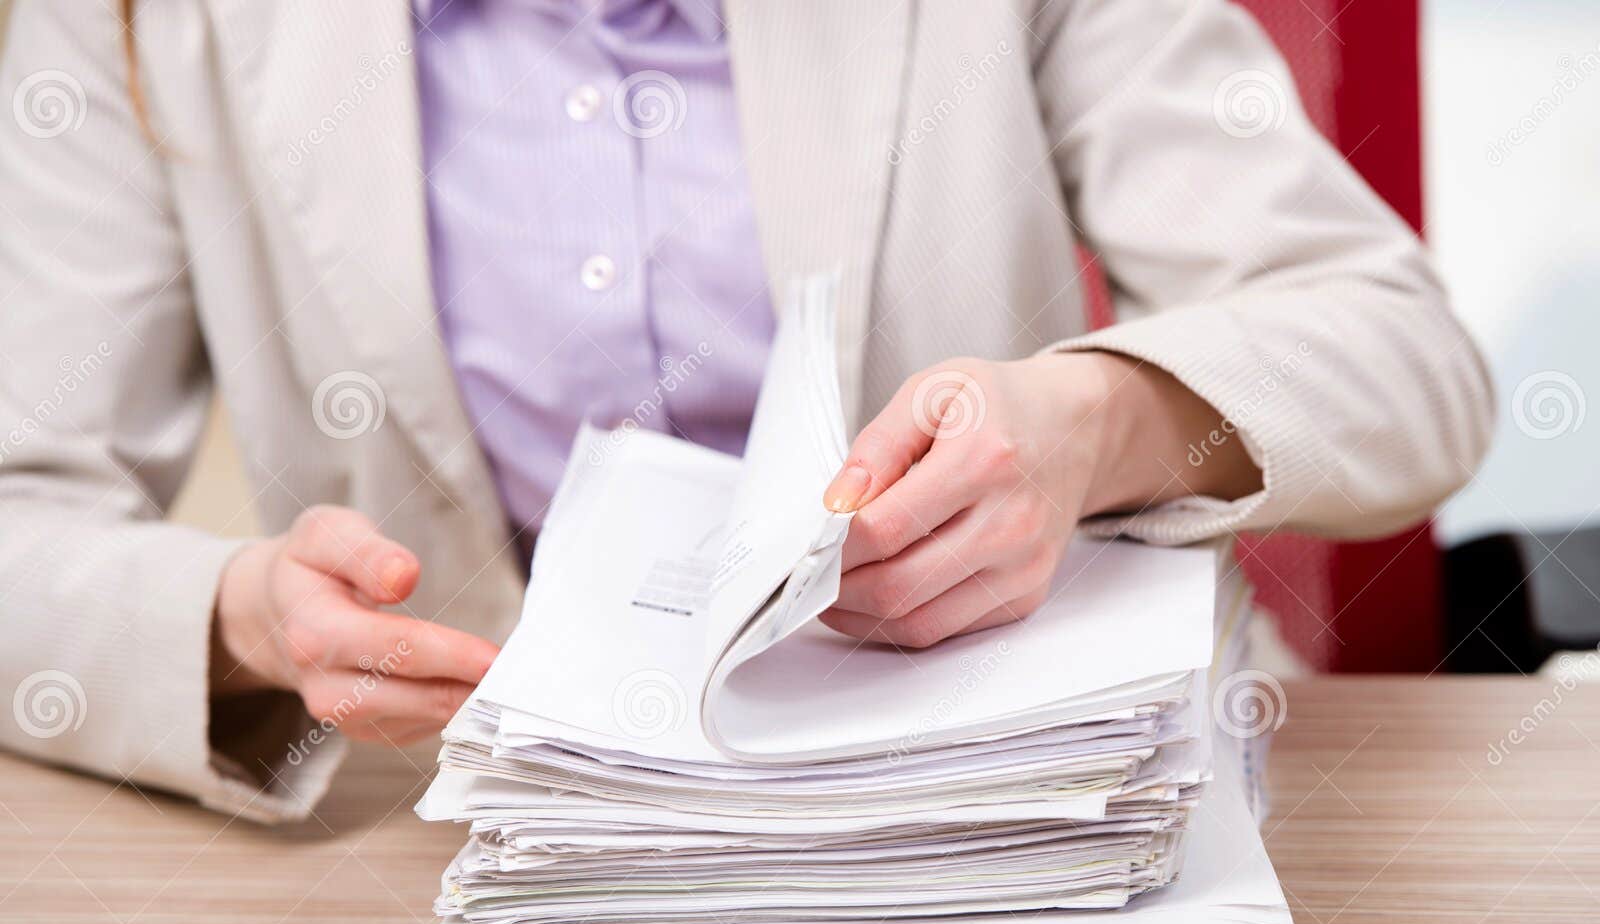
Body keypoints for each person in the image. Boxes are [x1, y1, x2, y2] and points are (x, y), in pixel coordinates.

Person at [0, 0, 1492, 822]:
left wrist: (1096, 422)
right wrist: (242, 619)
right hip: (478, 871)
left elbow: (1404, 357)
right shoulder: (130, 21)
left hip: (1026, 827)